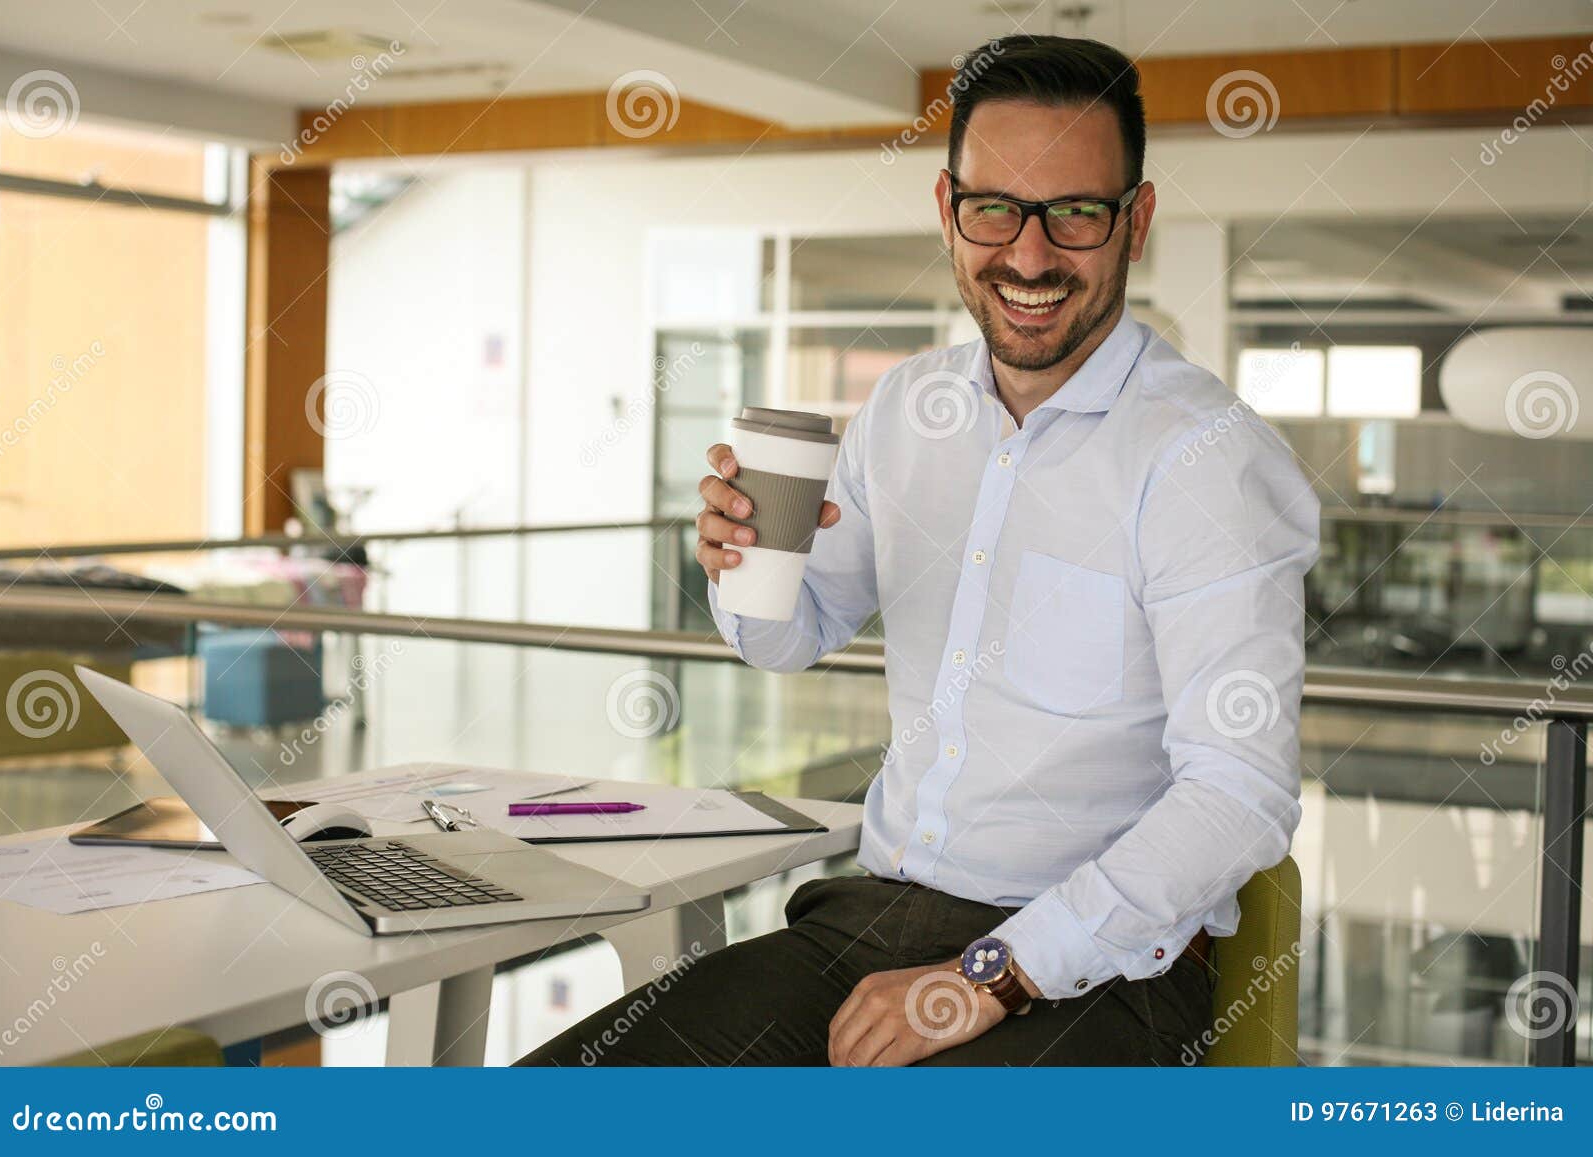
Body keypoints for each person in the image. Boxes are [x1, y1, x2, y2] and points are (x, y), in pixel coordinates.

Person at [520, 33, 1319, 1067]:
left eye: (1074, 213)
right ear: (948, 210)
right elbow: (789, 638)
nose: (1029, 258)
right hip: (866, 923)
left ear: (1136, 220)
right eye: (996, 209)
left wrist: (993, 971)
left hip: (1097, 971)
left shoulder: (1204, 459)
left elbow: (1239, 791)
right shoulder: (906, 409)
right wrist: (743, 559)